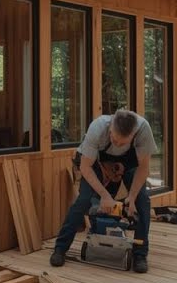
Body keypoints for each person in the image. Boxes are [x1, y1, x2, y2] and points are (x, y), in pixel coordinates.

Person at [51, 108, 156, 273]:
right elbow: (85, 167)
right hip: (95, 162)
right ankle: (60, 248)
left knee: (143, 202)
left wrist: (132, 197)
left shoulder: (143, 130)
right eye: (114, 139)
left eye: (123, 142)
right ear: (111, 128)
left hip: (130, 165)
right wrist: (105, 196)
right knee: (84, 200)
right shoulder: (98, 127)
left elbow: (143, 168)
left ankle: (140, 254)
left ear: (133, 134)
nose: (118, 144)